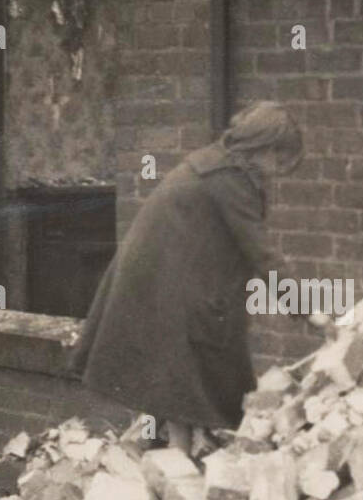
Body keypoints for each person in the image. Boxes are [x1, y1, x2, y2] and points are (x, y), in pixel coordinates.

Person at [74, 102, 322, 454]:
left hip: (160, 281)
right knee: (183, 377)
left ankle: (179, 456)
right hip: (165, 286)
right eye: (278, 160)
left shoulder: (219, 161)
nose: (278, 171)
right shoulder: (230, 179)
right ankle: (179, 467)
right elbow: (262, 253)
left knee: (186, 376)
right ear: (263, 147)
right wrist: (310, 310)